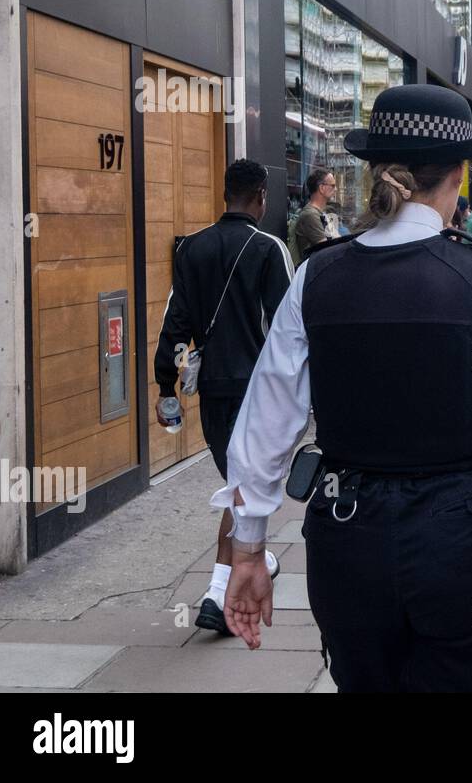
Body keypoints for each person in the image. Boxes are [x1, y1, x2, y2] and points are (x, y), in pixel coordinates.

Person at [217, 85, 472, 692]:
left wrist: (247, 551)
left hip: (351, 535)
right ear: (459, 174)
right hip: (470, 535)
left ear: (375, 170)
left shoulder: (317, 276)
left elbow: (266, 423)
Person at [153, 159, 293, 635]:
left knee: (239, 487)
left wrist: (164, 386)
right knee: (241, 490)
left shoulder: (190, 248)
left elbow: (176, 322)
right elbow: (288, 331)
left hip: (212, 392)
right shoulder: (269, 249)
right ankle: (220, 591)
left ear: (224, 194)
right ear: (261, 196)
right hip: (258, 392)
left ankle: (236, 576)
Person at [291, 169, 340, 267]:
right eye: (333, 186)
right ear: (321, 188)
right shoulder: (310, 215)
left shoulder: (322, 212)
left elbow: (337, 240)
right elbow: (329, 249)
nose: (336, 189)